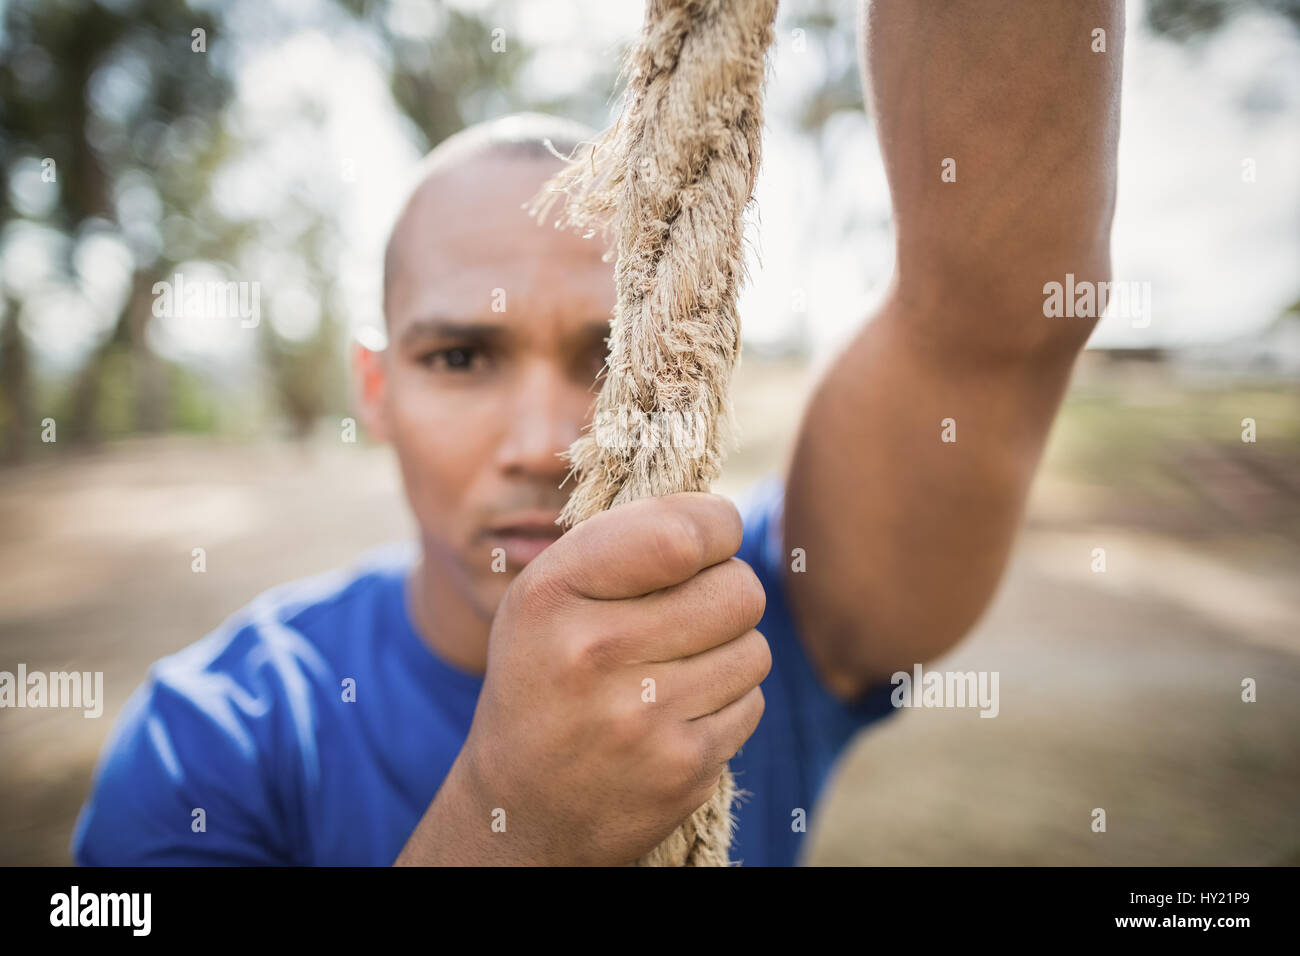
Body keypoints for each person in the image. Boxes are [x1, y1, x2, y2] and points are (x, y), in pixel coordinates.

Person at [72, 1, 1123, 866]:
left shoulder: (763, 615)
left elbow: (997, 306)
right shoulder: (217, 739)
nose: (544, 441)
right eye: (460, 357)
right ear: (376, 387)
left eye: (605, 357)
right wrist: (512, 816)